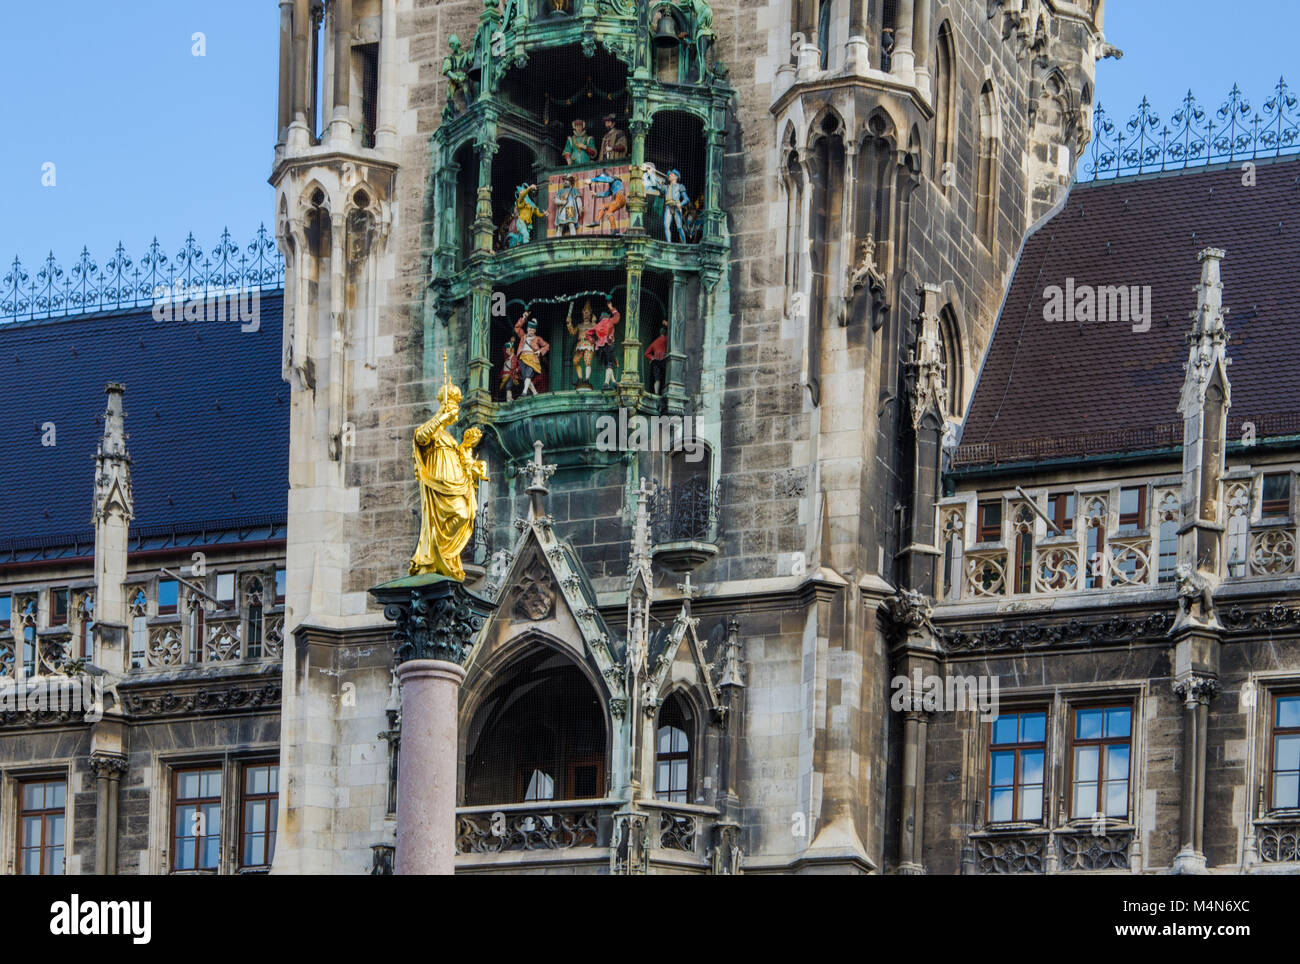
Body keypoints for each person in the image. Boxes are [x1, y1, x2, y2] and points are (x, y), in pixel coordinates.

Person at [408, 382, 487, 581]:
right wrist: (440, 417)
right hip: (437, 483)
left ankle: (445, 554)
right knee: (457, 513)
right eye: (452, 410)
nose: (455, 414)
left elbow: (463, 462)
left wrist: (468, 449)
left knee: (462, 513)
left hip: (454, 483)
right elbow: (420, 437)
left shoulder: (451, 438)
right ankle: (435, 554)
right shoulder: (432, 430)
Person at [514, 311, 550, 395]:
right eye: (529, 329)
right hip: (523, 357)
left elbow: (547, 346)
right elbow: (517, 328)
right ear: (527, 329)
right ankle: (534, 392)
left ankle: (524, 391)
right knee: (525, 377)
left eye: (533, 329)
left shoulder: (537, 339)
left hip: (532, 358)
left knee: (528, 375)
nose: (531, 331)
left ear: (535, 330)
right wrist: (523, 318)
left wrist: (540, 351)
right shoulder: (523, 336)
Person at [566, 299, 597, 386]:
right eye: (584, 312)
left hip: (588, 344)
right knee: (575, 361)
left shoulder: (592, 325)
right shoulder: (580, 325)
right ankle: (580, 379)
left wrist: (594, 322)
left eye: (587, 313)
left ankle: (587, 379)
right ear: (582, 313)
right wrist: (569, 323)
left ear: (590, 314)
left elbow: (597, 331)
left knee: (587, 362)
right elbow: (572, 332)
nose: (586, 315)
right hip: (580, 345)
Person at [588, 168, 627, 234]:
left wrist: (591, 180)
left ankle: (614, 230)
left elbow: (605, 179)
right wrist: (596, 194)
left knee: (609, 212)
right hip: (619, 199)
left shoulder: (611, 179)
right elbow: (607, 193)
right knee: (603, 206)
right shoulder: (612, 184)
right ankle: (597, 221)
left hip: (620, 198)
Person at [592, 301, 620, 387]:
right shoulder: (610, 321)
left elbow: (588, 333)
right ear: (607, 316)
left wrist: (593, 341)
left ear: (600, 318)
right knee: (610, 365)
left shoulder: (597, 325)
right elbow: (617, 316)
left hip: (600, 347)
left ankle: (614, 381)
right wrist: (611, 308)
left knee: (607, 364)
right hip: (609, 344)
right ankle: (606, 383)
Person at [663, 168, 690, 243]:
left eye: (671, 175)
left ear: (676, 177)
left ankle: (684, 243)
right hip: (668, 207)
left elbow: (687, 199)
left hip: (676, 207)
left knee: (679, 227)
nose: (669, 176)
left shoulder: (680, 186)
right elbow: (658, 187)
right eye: (669, 175)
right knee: (666, 226)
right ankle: (669, 243)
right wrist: (651, 174)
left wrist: (680, 204)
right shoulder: (666, 187)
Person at [644, 321, 669, 394]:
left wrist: (652, 358)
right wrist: (667, 324)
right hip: (664, 359)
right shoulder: (666, 339)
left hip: (655, 361)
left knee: (657, 379)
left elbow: (646, 353)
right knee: (665, 377)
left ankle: (656, 393)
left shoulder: (655, 342)